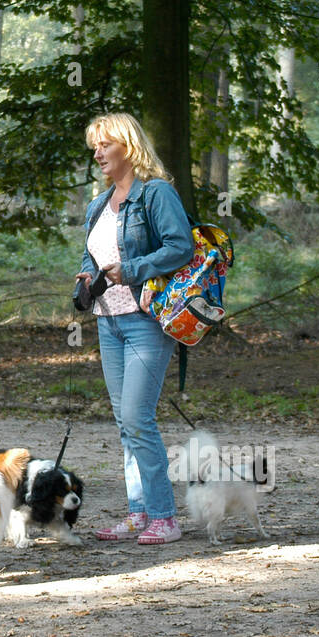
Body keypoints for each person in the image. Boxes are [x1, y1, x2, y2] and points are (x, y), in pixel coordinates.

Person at [76, 113, 194, 545]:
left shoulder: (156, 193)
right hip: (108, 321)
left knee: (137, 418)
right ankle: (139, 512)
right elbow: (91, 257)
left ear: (127, 145)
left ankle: (165, 516)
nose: (98, 152)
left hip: (146, 320)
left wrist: (133, 269)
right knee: (125, 424)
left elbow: (179, 246)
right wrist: (85, 279)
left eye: (105, 144)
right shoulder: (97, 204)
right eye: (95, 146)